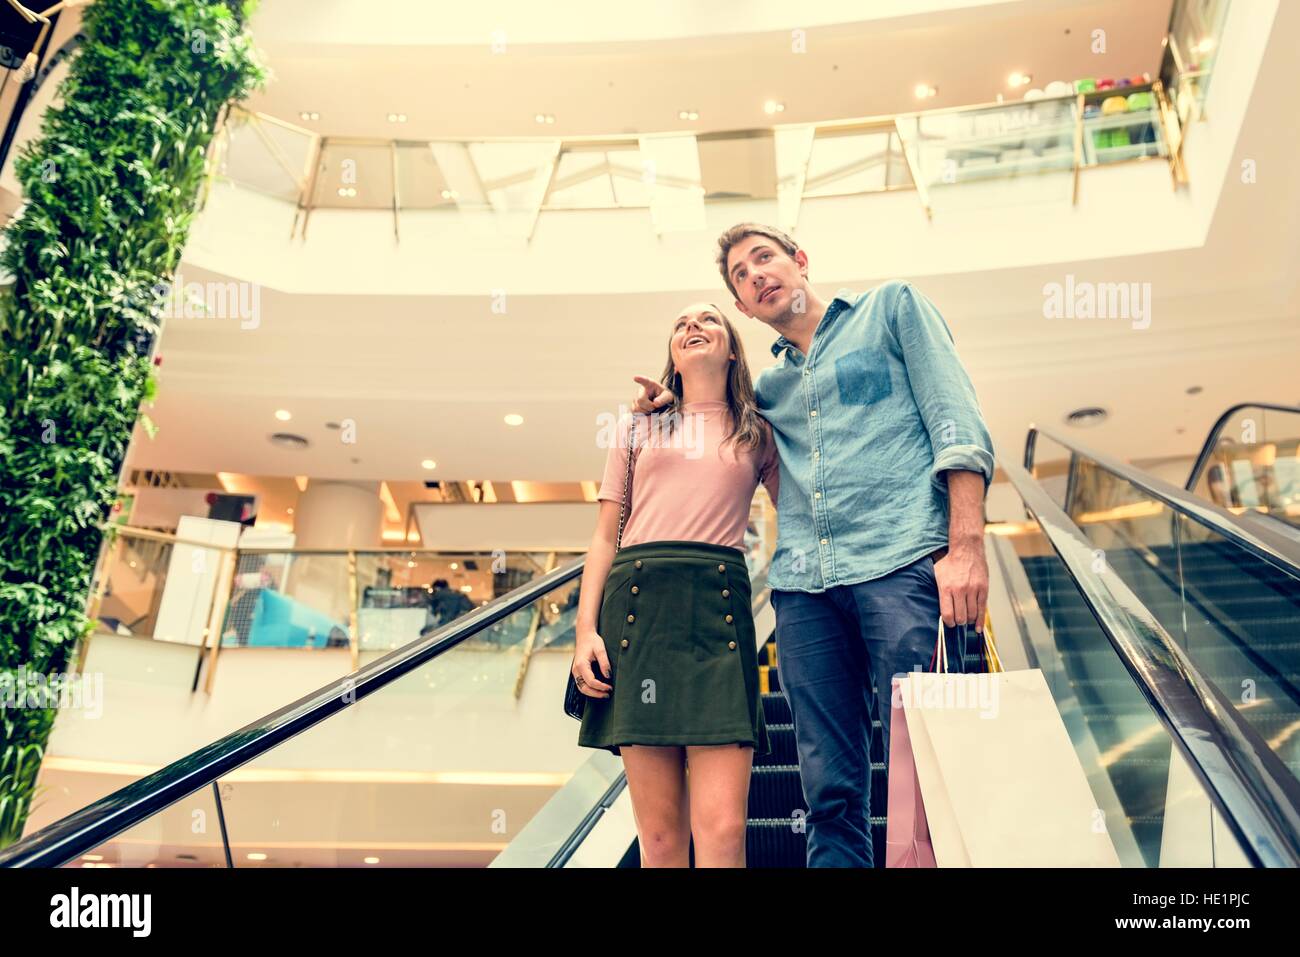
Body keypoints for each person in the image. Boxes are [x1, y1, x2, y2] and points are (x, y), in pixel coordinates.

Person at [633, 223, 994, 867]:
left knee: (928, 771)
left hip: (902, 567)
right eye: (741, 277)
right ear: (744, 308)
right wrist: (674, 406)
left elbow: (957, 422)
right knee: (828, 794)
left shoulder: (893, 309)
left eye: (764, 259)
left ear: (800, 261)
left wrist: (965, 544)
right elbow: (717, 422)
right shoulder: (766, 394)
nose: (756, 276)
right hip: (803, 593)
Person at [573, 302, 780, 868]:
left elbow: (803, 511)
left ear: (733, 348)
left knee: (724, 831)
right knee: (660, 838)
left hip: (719, 612)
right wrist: (584, 630)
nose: (692, 326)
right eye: (681, 324)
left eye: (708, 320)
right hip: (639, 610)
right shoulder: (638, 423)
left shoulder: (758, 429)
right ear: (671, 352)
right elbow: (603, 537)